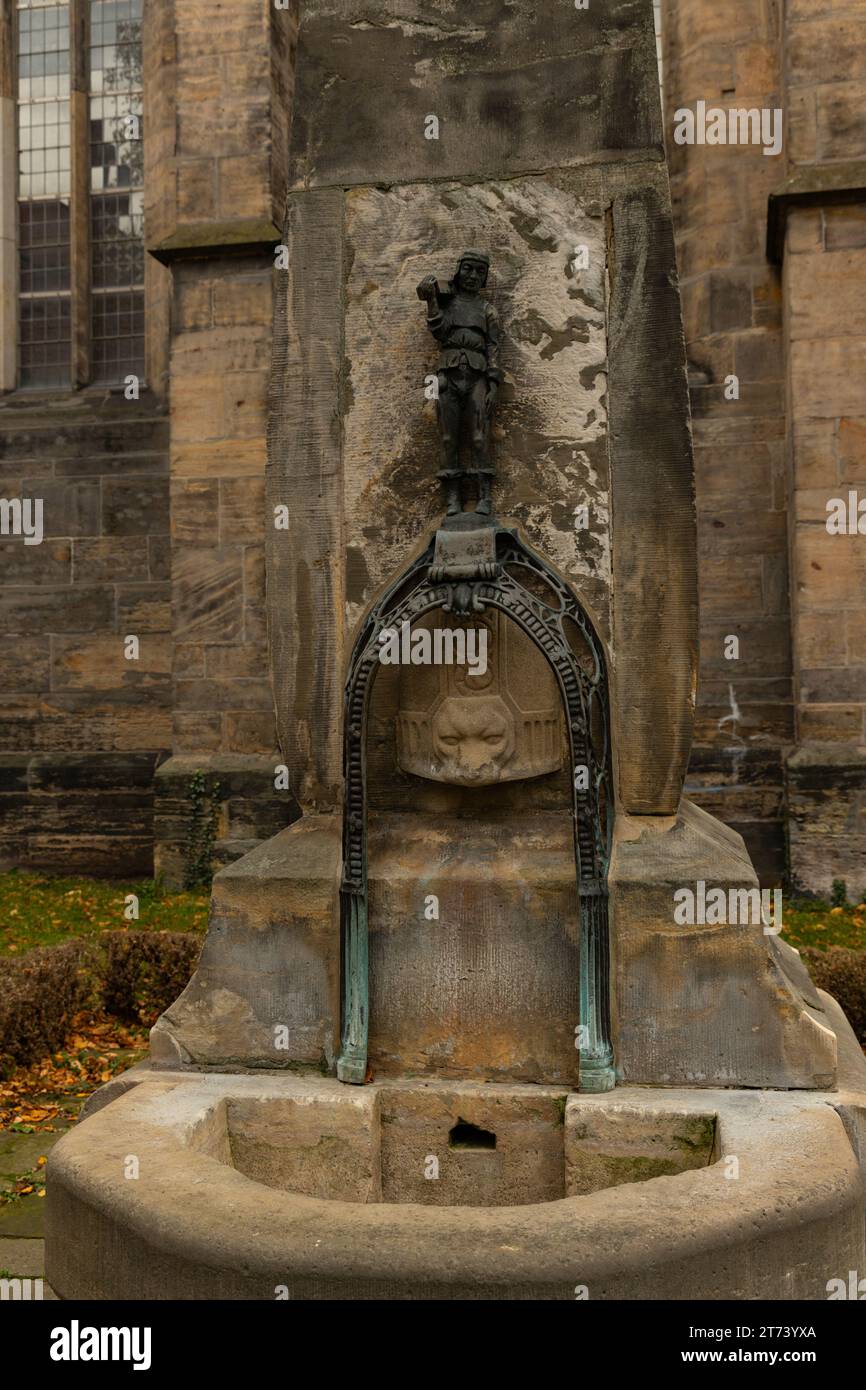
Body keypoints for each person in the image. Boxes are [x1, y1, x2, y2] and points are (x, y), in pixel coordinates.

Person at [416, 250, 502, 516]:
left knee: (479, 436)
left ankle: (484, 495)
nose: (473, 276)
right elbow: (439, 332)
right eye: (468, 269)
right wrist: (431, 300)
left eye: (479, 271)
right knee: (448, 437)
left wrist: (494, 384)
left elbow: (494, 347)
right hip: (447, 377)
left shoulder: (487, 310)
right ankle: (452, 496)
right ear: (458, 270)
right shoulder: (448, 304)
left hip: (477, 378)